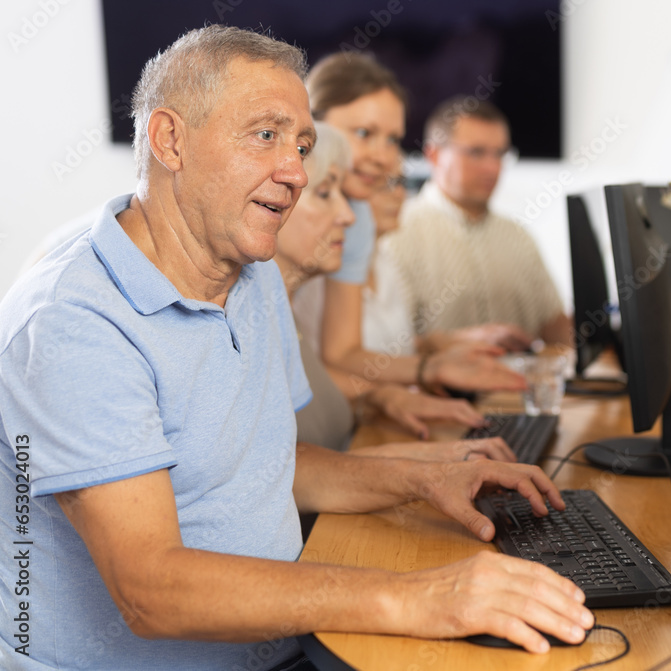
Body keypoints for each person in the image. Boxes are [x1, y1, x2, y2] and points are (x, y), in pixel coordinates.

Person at [0, 26, 593, 669]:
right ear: (170, 139)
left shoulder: (245, 270)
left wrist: (428, 478)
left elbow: (274, 460)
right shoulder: (72, 323)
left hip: (285, 650)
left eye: (302, 144)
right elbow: (152, 592)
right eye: (265, 135)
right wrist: (420, 597)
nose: (295, 172)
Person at [301, 53, 534, 400]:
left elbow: (342, 353)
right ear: (311, 124)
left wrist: (429, 369)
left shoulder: (357, 218)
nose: (383, 157)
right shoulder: (278, 209)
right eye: (364, 133)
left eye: (392, 140)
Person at [277, 121, 493, 446]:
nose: (348, 216)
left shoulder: (282, 311)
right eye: (325, 193)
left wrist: (378, 397)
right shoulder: (262, 313)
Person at [383, 97, 575, 347]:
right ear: (434, 155)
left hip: (519, 382)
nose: (492, 168)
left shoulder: (518, 237)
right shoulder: (398, 234)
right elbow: (386, 347)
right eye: (476, 152)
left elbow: (554, 325)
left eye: (500, 154)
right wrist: (462, 341)